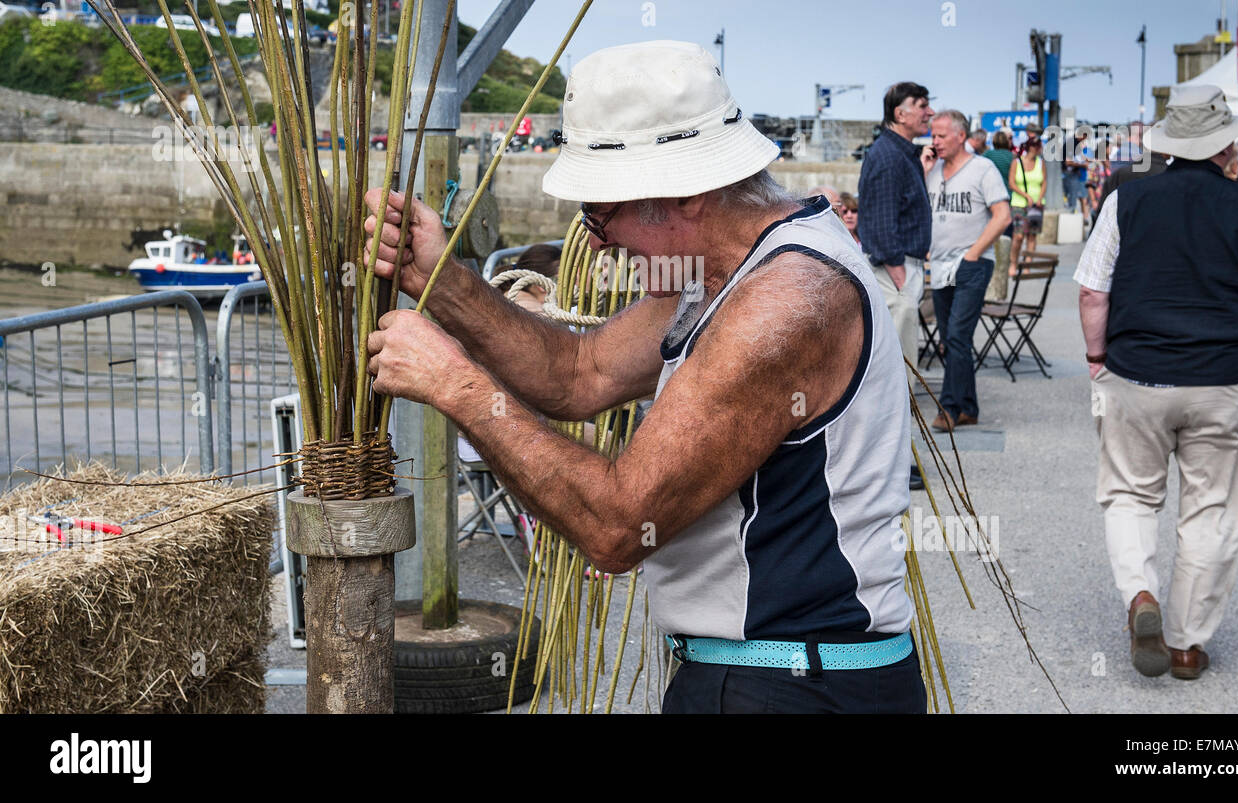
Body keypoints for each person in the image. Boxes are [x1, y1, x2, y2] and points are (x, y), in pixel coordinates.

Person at [363, 40, 925, 713]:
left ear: (685, 193)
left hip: (796, 681)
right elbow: (580, 371)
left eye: (602, 211)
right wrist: (442, 281)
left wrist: (454, 384)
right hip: (764, 673)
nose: (596, 240)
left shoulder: (785, 303)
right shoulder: (721, 270)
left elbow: (618, 525)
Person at [1074, 85, 1238, 681]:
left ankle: (1140, 596)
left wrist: (1098, 357)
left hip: (1137, 373)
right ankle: (1185, 643)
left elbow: (1093, 290)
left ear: (1168, 143)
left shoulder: (1129, 201)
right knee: (1212, 512)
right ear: (1228, 145)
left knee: (1129, 494)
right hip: (1224, 379)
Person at [857, 81, 935, 490]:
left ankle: (893, 462)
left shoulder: (896, 153)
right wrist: (897, 268)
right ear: (899, 114)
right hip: (894, 271)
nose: (928, 113)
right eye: (920, 106)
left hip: (899, 268)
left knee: (898, 370)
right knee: (897, 373)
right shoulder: (890, 156)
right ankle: (893, 466)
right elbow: (884, 218)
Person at [925, 110, 1011, 429]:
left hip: (972, 264)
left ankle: (948, 408)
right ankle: (968, 407)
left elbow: (1003, 215)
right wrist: (922, 170)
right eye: (932, 135)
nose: (935, 141)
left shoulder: (982, 169)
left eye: (941, 136)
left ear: (961, 136)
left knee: (958, 336)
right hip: (940, 264)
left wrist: (974, 254)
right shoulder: (931, 170)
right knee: (951, 337)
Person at [1008, 133, 1046, 274]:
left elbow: (1044, 182)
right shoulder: (1017, 163)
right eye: (1039, 147)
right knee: (1018, 235)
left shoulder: (1040, 163)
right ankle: (1013, 263)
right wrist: (1026, 196)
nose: (1041, 149)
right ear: (1033, 148)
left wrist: (1039, 198)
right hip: (1019, 203)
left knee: (1032, 235)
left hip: (1036, 205)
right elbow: (1012, 183)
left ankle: (1027, 264)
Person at [984, 128, 1015, 193]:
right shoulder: (1012, 156)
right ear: (1006, 142)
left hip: (993, 192)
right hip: (1009, 192)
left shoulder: (988, 154)